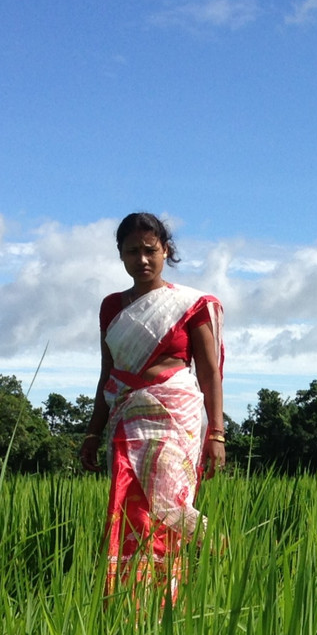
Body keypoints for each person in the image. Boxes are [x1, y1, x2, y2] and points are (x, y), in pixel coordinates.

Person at [82, 212, 225, 602]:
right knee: (128, 506)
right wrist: (92, 433)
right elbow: (107, 372)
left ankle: (171, 594)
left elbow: (210, 372)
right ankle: (127, 595)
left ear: (166, 252)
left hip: (173, 416)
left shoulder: (189, 305)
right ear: (120, 256)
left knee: (170, 506)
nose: (142, 260)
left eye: (151, 250)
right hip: (125, 419)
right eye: (132, 252)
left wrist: (216, 433)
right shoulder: (111, 307)